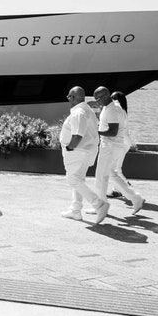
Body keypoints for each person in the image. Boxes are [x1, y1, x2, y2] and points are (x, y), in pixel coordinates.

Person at [60, 86, 109, 223]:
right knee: (79, 180)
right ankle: (75, 210)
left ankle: (98, 204)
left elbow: (77, 135)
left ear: (73, 97)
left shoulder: (79, 112)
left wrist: (69, 148)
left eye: (69, 96)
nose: (68, 99)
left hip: (78, 152)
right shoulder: (88, 110)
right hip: (85, 151)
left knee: (72, 179)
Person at [92, 87, 143, 213]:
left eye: (98, 99)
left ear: (106, 96)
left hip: (110, 146)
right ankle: (136, 198)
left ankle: (101, 206)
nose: (97, 102)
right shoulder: (111, 107)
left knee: (101, 176)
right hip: (113, 146)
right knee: (111, 174)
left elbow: (113, 131)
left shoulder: (112, 110)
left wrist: (96, 131)